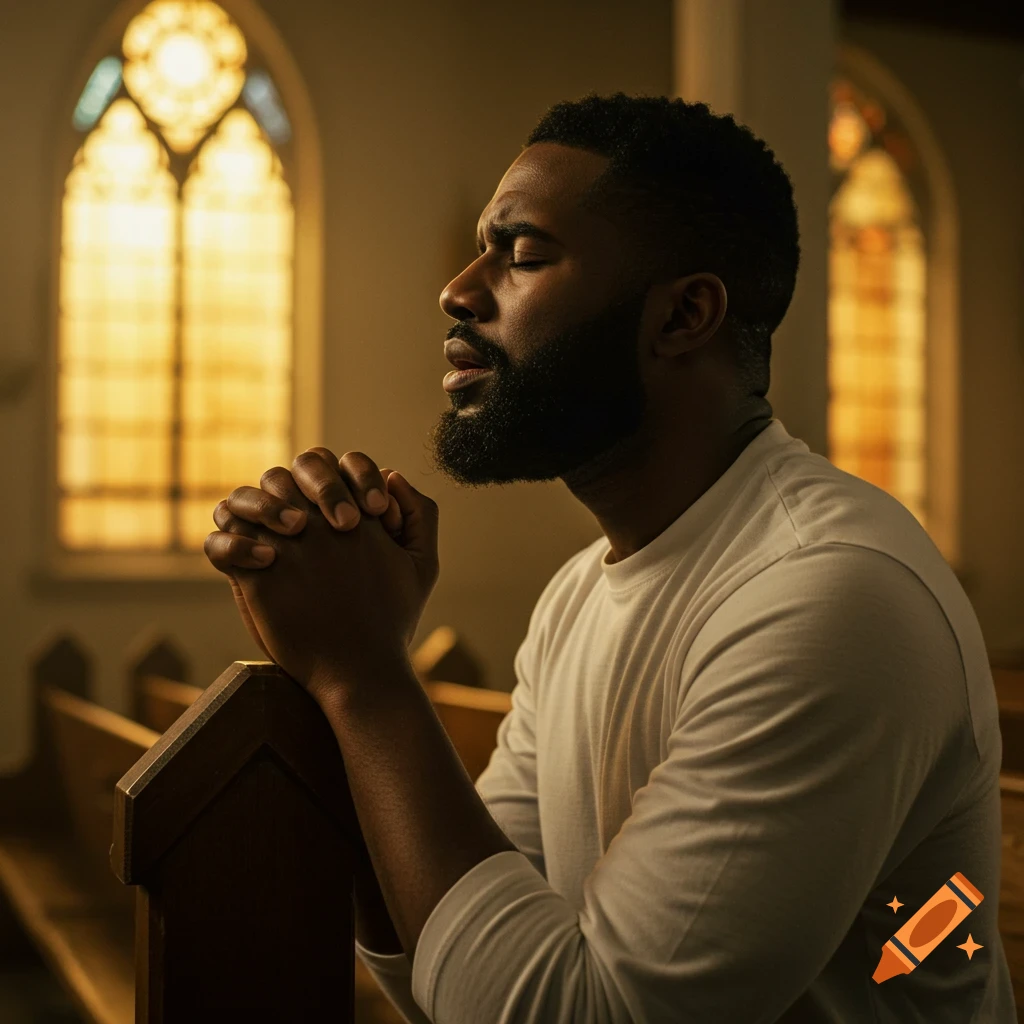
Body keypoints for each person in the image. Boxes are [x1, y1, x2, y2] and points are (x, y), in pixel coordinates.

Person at [204, 93, 1014, 1022]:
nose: (460, 290)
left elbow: (579, 1013)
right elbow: (463, 973)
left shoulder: (830, 596)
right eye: (481, 247)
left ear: (683, 317)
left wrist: (365, 675)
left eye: (524, 253)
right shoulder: (579, 595)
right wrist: (332, 657)